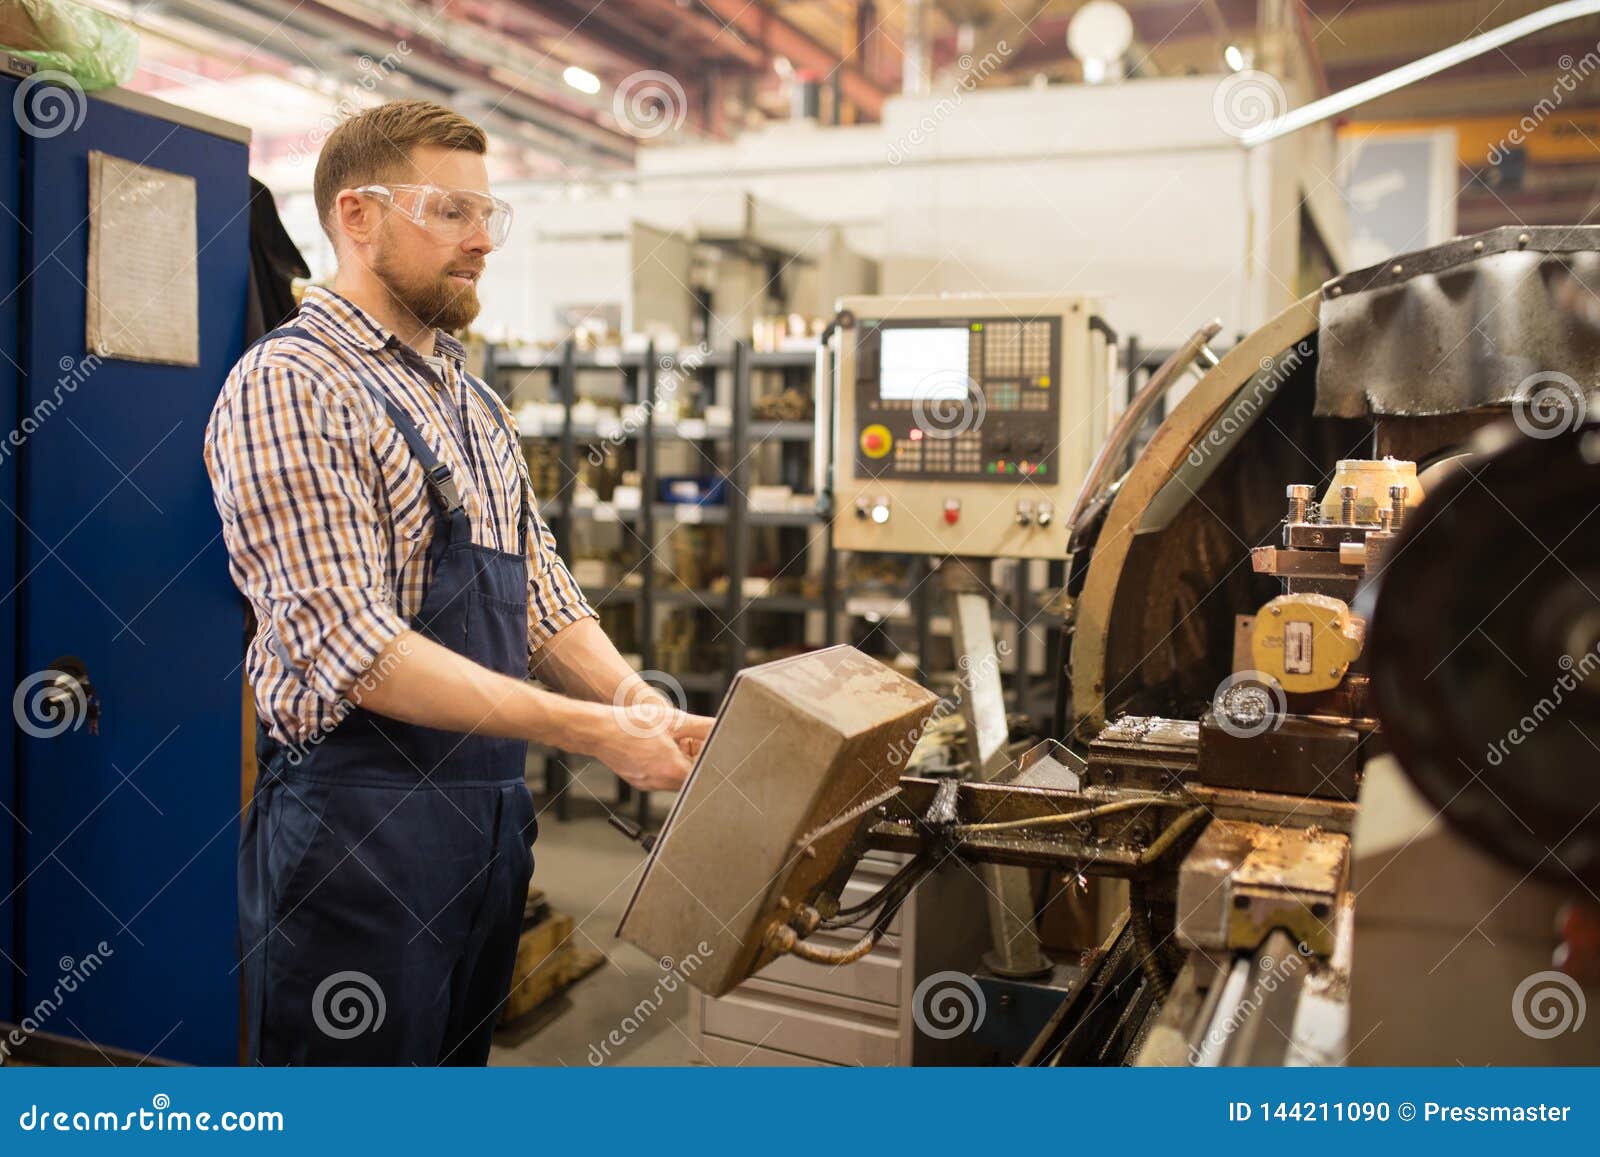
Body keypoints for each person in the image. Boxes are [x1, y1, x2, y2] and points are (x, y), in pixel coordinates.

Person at [204, 100, 713, 1065]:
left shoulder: (470, 401)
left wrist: (632, 699)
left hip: (484, 824)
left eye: (490, 215)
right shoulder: (292, 385)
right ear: (358, 216)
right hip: (356, 831)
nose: (483, 240)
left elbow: (540, 593)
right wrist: (584, 731)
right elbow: (354, 643)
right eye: (451, 212)